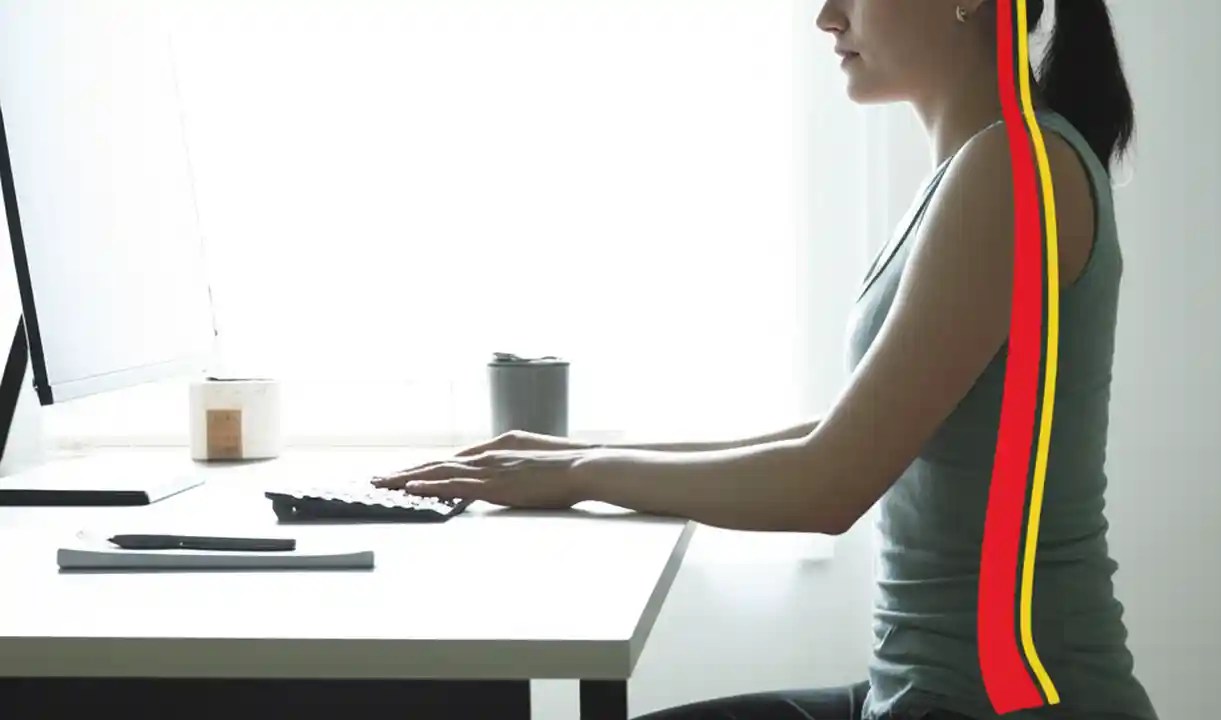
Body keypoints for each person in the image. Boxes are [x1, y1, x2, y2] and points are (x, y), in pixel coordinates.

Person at [375, 0, 1159, 718]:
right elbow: (845, 434)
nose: (827, 16)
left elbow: (828, 485)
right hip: (922, 690)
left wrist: (583, 476)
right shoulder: (982, 168)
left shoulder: (1016, 172)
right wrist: (580, 455)